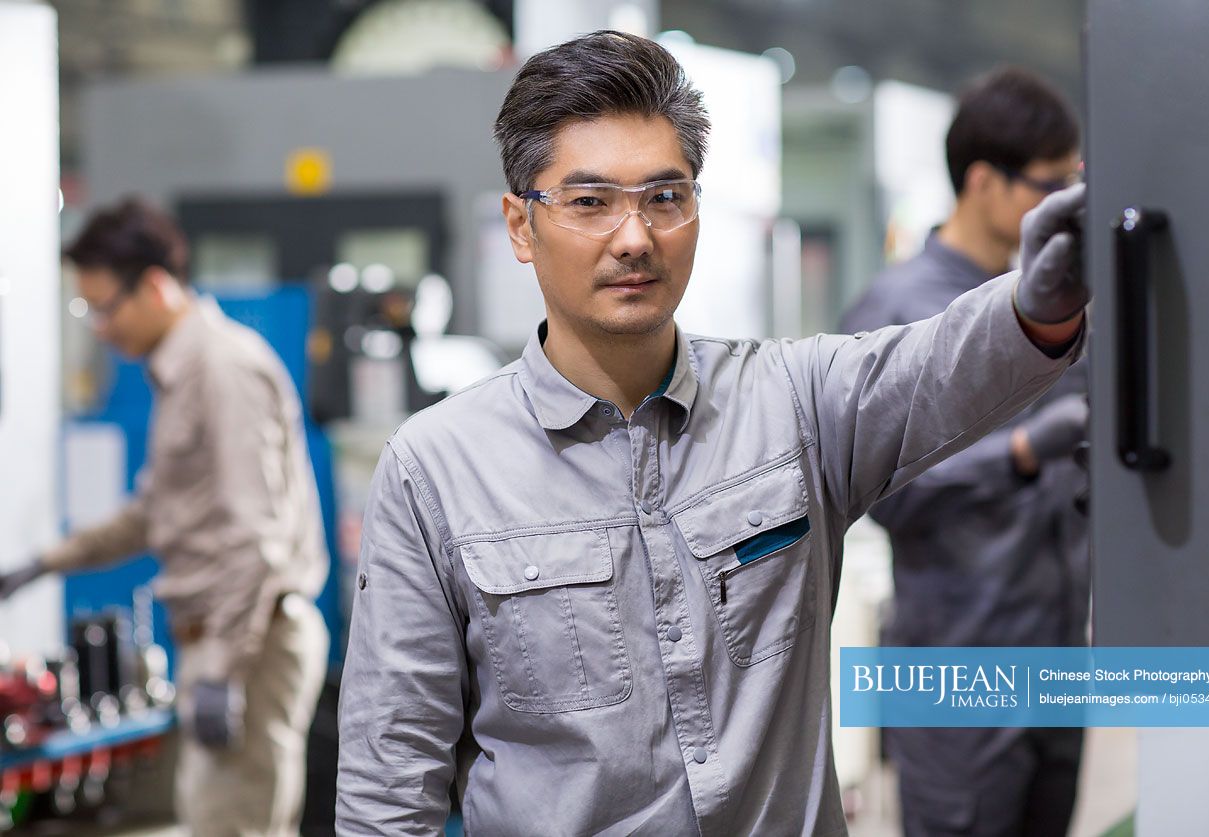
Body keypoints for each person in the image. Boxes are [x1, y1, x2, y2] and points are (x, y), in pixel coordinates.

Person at [335, 32, 1087, 836]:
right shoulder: (436, 468)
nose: (635, 237)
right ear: (521, 226)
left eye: (664, 197)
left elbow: (934, 365)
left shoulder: (791, 403)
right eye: (590, 202)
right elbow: (391, 776)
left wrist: (1036, 307)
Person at [0, 198, 329, 836]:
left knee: (231, 827)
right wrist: (44, 563)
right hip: (229, 640)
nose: (98, 326)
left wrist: (225, 675)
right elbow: (155, 513)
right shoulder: (180, 373)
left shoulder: (221, 369)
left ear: (153, 285)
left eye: (103, 307)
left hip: (250, 639)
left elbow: (253, 538)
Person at [841, 67, 1088, 837]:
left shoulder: (1058, 294)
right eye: (1047, 186)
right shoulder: (898, 311)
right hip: (954, 668)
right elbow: (879, 489)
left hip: (1054, 652)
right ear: (983, 181)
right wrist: (1018, 451)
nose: (1061, 206)